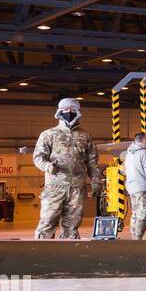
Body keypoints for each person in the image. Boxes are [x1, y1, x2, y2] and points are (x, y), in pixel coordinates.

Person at [32, 98, 99, 239]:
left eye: (73, 110)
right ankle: (39, 254)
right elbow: (38, 157)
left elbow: (92, 162)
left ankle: (69, 255)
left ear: (78, 112)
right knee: (47, 223)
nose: (69, 112)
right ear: (59, 111)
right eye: (66, 109)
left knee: (72, 226)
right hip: (54, 186)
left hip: (77, 187)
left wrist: (95, 183)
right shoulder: (48, 135)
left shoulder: (85, 136)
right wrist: (47, 166)